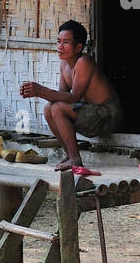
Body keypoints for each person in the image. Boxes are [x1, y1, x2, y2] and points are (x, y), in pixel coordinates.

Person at [19, 20, 123, 171]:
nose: (60, 47)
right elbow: (61, 96)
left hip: (107, 115)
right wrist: (36, 92)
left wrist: (40, 91)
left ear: (78, 47)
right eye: (58, 41)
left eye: (66, 42)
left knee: (58, 109)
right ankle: (69, 155)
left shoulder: (83, 62)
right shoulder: (64, 65)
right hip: (91, 112)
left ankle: (75, 158)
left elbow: (73, 98)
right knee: (50, 108)